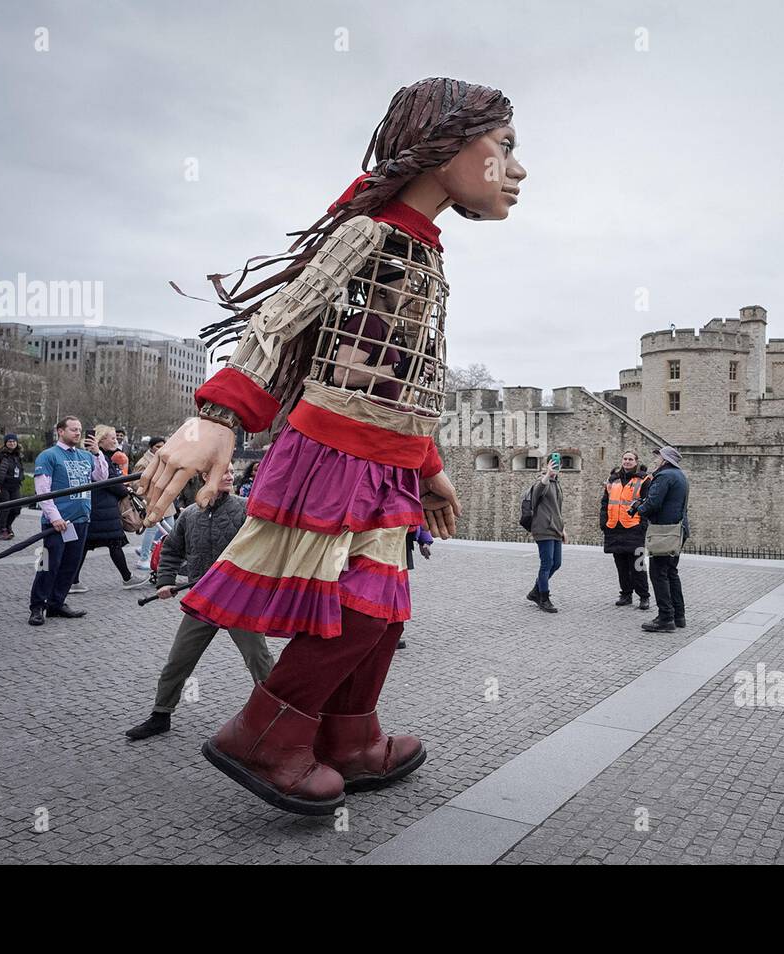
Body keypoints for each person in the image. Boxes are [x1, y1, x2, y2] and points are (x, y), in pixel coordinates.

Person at [138, 77, 523, 816]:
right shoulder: (369, 232)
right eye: (504, 146)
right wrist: (220, 412)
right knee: (366, 612)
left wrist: (430, 468)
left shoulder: (424, 250)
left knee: (386, 612)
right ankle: (265, 734)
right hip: (334, 453)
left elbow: (400, 380)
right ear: (445, 143)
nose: (519, 167)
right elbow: (284, 320)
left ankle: (351, 739)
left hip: (383, 457)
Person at [126, 468, 274, 741]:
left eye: (232, 471)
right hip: (203, 598)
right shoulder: (189, 514)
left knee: (259, 660)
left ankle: (279, 718)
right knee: (179, 660)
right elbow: (171, 548)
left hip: (238, 600)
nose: (230, 476)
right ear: (206, 477)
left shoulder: (247, 510)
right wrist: (165, 581)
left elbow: (267, 548)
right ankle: (161, 714)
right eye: (223, 472)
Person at [28, 416, 107, 626]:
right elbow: (42, 490)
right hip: (57, 523)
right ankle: (38, 605)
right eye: (73, 429)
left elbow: (101, 478)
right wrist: (55, 517)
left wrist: (97, 453)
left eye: (80, 429)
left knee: (70, 565)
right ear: (60, 431)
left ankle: (57, 602)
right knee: (48, 564)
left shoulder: (85, 455)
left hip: (81, 520)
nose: (78, 433)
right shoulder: (48, 456)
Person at [72, 425, 147, 591]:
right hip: (102, 508)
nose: (116, 440)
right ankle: (127, 578)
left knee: (91, 544)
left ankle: (73, 580)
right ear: (101, 440)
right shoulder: (100, 457)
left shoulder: (106, 456)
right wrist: (125, 490)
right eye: (112, 437)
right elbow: (110, 482)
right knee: (113, 542)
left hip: (100, 507)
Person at [631, 445, 689, 633]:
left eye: (658, 457)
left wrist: (638, 508)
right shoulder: (680, 476)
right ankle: (678, 615)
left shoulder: (664, 476)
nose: (655, 460)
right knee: (671, 572)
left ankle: (665, 617)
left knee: (658, 573)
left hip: (665, 531)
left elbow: (653, 504)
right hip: (678, 530)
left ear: (665, 460)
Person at [600, 451, 650, 610]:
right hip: (615, 527)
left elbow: (648, 503)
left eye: (630, 459)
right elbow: (605, 502)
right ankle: (626, 594)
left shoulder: (643, 480)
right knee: (621, 565)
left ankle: (644, 596)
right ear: (622, 461)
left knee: (638, 565)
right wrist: (604, 522)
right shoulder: (612, 480)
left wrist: (643, 525)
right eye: (625, 459)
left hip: (634, 527)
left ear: (636, 462)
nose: (627, 461)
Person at [526, 457, 565, 613]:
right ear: (547, 465)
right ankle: (543, 598)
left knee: (556, 563)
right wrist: (548, 474)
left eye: (558, 465)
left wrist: (563, 529)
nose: (555, 467)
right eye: (552, 464)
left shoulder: (557, 484)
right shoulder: (541, 481)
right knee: (547, 564)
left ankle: (535, 591)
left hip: (555, 529)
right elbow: (537, 492)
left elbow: (557, 510)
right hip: (543, 528)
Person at [134, 437, 168, 571]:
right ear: (151, 447)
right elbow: (136, 482)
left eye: (162, 446)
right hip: (152, 499)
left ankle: (146, 549)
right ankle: (143, 557)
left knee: (171, 529)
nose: (160, 449)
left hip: (166, 500)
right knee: (152, 528)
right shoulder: (144, 462)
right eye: (157, 447)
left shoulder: (165, 460)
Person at [0, 433, 25, 540]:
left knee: (17, 508)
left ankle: (8, 526)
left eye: (14, 441)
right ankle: (2, 530)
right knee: (6, 507)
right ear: (5, 443)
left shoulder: (18, 455)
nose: (12, 443)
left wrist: (21, 478)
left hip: (15, 486)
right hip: (2, 486)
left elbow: (21, 469)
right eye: (9, 441)